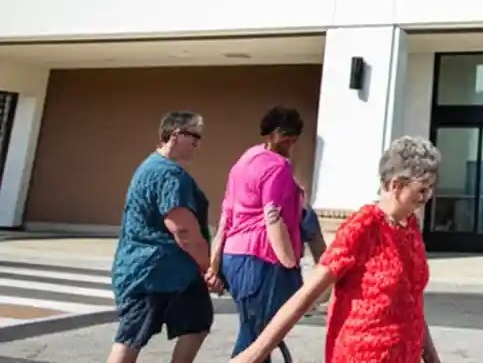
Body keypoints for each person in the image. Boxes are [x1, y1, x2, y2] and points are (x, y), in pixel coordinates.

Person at [229, 136, 443, 363]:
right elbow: (306, 295)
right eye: (421, 189)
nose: (427, 197)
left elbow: (412, 302)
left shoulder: (410, 228)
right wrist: (253, 355)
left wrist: (432, 357)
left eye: (430, 188)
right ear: (396, 186)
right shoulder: (364, 226)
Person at [108, 111, 216, 363]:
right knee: (131, 337)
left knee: (197, 323)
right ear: (176, 135)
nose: (198, 143)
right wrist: (208, 267)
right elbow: (183, 230)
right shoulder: (169, 175)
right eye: (194, 136)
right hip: (153, 271)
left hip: (174, 272)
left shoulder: (151, 166)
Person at [206, 107, 306, 361]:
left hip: (235, 256)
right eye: (288, 138)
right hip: (262, 260)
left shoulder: (245, 160)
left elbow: (227, 214)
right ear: (274, 134)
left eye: (293, 138)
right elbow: (273, 217)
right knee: (256, 339)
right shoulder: (278, 167)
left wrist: (215, 262)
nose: (291, 144)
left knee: (256, 331)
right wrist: (290, 263)